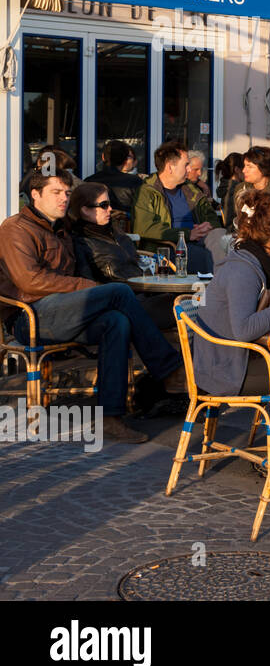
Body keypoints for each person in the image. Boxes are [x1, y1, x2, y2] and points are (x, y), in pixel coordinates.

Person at [0, 169, 185, 443]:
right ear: (35, 195)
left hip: (63, 312)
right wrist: (90, 289)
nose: (63, 198)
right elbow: (30, 282)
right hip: (29, 317)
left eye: (66, 192)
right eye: (56, 192)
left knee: (117, 322)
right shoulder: (15, 229)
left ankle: (110, 418)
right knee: (118, 293)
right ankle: (169, 371)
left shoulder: (62, 230)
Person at [190, 192, 270, 397]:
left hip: (243, 357)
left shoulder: (266, 264)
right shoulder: (243, 269)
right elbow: (244, 330)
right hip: (225, 370)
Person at [68, 182, 176, 332]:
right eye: (104, 205)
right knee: (192, 304)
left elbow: (135, 263)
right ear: (85, 210)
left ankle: (197, 352)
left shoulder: (115, 231)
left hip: (145, 294)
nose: (110, 209)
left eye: (109, 204)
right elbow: (88, 287)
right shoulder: (81, 242)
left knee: (198, 299)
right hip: (124, 304)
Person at [134, 141, 221, 274]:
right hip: (168, 249)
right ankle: (217, 290)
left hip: (200, 241)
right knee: (206, 255)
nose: (189, 169)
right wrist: (187, 234)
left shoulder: (190, 189)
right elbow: (144, 227)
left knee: (225, 241)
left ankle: (226, 289)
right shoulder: (147, 192)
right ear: (170, 167)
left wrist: (207, 226)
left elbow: (212, 217)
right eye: (186, 164)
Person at [85, 139, 142, 224]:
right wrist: (127, 215)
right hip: (126, 230)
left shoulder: (88, 181)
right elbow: (142, 213)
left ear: (103, 157)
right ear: (125, 160)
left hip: (95, 229)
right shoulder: (135, 181)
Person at [215, 151, 244, 228]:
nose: (245, 171)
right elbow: (233, 218)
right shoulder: (235, 189)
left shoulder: (226, 187)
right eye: (244, 167)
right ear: (237, 170)